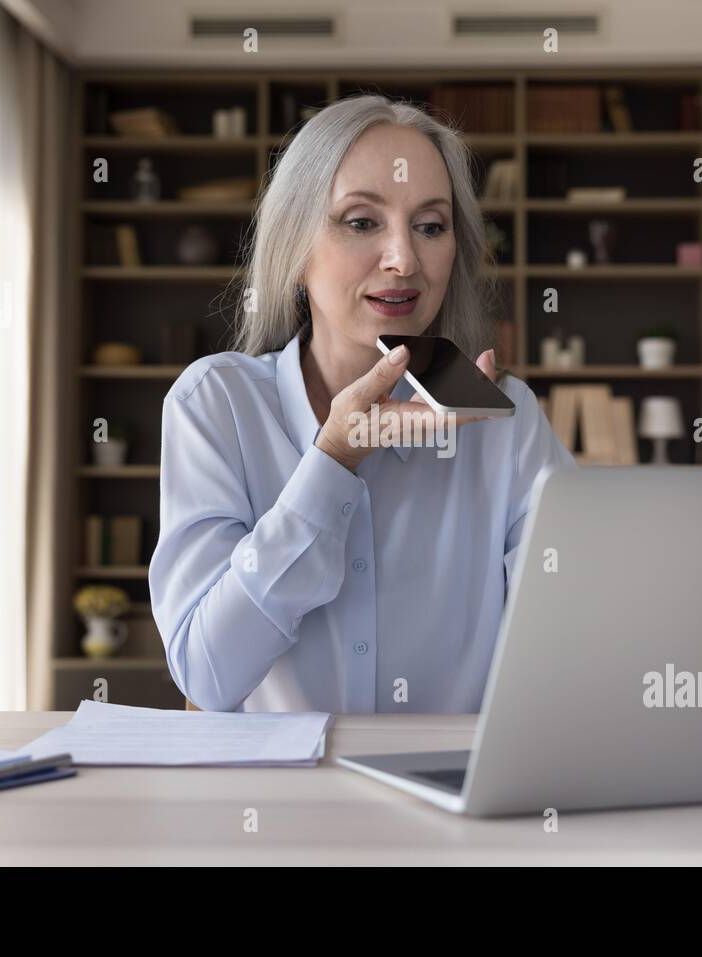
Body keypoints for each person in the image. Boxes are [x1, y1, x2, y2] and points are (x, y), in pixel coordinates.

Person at [148, 94, 575, 713]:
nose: (404, 260)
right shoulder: (217, 405)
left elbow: (574, 645)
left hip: (450, 779)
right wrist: (332, 459)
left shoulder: (503, 420)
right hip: (279, 781)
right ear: (295, 247)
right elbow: (208, 676)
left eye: (431, 226)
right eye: (361, 222)